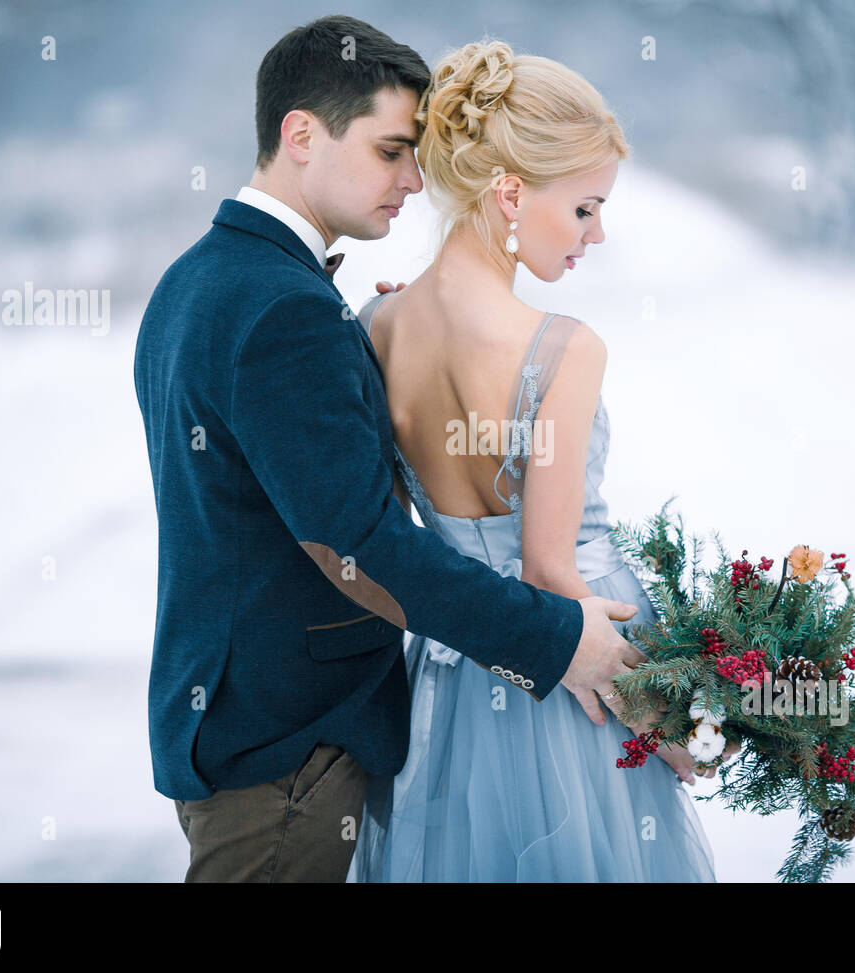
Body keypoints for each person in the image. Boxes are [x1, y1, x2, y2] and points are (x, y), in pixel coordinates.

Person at [132, 15, 645, 883]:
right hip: (290, 750)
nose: (413, 178)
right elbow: (360, 541)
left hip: (250, 724)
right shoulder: (292, 312)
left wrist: (406, 329)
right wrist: (562, 640)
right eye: (388, 151)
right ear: (301, 133)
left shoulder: (202, 280)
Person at [346, 39, 731, 882]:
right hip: (569, 695)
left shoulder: (376, 329)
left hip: (450, 685)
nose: (597, 234)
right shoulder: (563, 348)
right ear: (511, 191)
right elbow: (552, 573)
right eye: (586, 207)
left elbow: (397, 532)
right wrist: (673, 730)